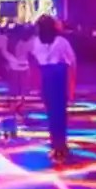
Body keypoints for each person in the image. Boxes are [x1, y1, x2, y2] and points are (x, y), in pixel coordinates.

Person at [32, 15, 77, 163]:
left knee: (59, 113)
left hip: (58, 77)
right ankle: (56, 144)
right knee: (52, 113)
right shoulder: (36, 42)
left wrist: (71, 86)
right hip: (48, 78)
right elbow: (36, 64)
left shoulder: (61, 42)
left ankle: (60, 145)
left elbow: (72, 63)